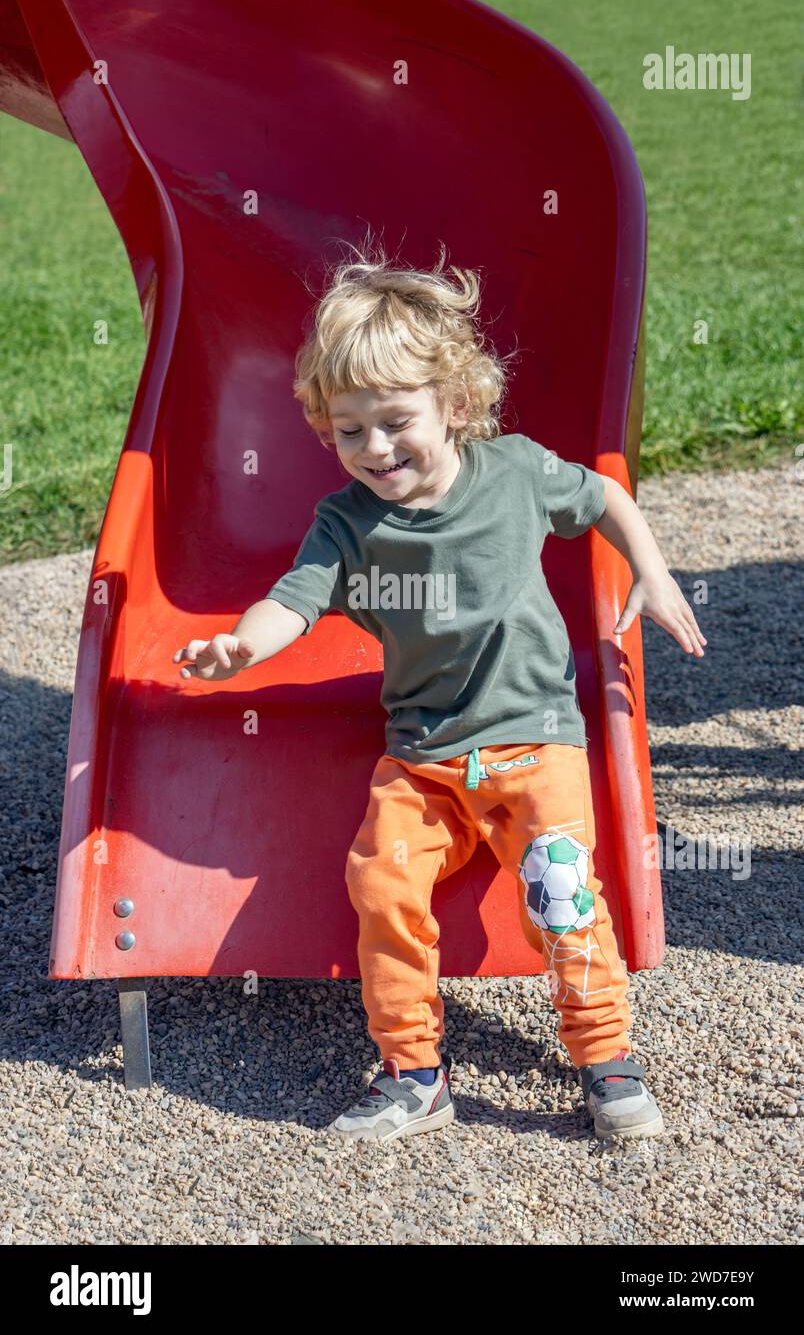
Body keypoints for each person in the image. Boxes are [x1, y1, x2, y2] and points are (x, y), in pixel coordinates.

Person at [172, 238, 706, 1144]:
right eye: (348, 430)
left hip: (535, 737)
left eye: (394, 421)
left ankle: (605, 1057)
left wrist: (650, 574)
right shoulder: (347, 522)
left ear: (454, 405)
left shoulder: (516, 475)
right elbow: (294, 600)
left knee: (563, 894)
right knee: (380, 885)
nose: (375, 449)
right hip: (423, 753)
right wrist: (239, 649)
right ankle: (414, 1073)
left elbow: (605, 496)